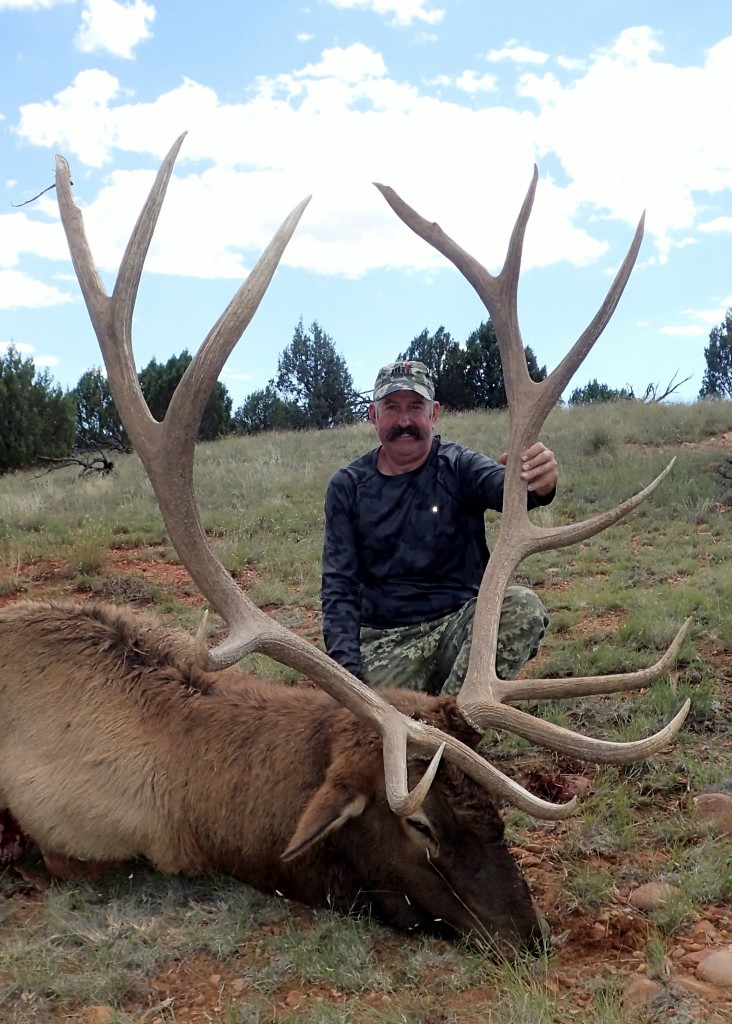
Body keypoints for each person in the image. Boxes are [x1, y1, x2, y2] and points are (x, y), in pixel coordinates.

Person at [321, 360, 558, 695]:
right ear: (374, 416)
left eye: (415, 407)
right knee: (364, 720)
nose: (404, 421)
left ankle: (451, 726)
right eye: (391, 407)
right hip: (385, 642)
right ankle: (442, 719)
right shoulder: (347, 487)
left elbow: (509, 490)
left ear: (434, 413)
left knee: (522, 609)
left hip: (459, 626)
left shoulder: (459, 465)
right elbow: (339, 589)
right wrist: (348, 680)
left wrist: (538, 482)